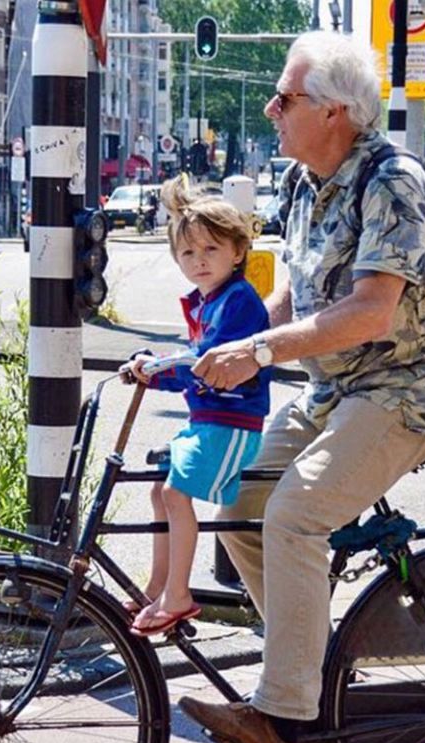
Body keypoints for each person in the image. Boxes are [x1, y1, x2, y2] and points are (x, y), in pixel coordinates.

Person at [177, 31, 425, 743]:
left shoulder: (393, 183)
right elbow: (296, 297)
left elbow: (373, 311)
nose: (273, 108)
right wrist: (218, 343)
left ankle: (282, 715)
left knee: (295, 513)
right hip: (335, 386)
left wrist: (263, 353)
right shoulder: (302, 183)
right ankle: (310, 672)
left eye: (286, 97)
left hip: (413, 386)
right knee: (241, 501)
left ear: (336, 112)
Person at [120, 177, 272, 637]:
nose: (199, 260)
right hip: (206, 420)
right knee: (157, 491)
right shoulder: (210, 301)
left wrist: (159, 367)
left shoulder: (238, 301)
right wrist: (156, 369)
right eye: (188, 253)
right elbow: (192, 364)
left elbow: (208, 365)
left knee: (174, 494)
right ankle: (158, 585)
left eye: (211, 249)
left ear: (238, 252)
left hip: (232, 423)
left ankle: (178, 595)